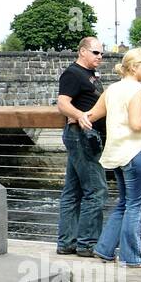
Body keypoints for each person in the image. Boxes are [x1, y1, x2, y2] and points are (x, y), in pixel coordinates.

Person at [83, 48, 141, 268]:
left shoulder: (113, 89)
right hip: (137, 152)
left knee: (124, 203)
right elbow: (136, 125)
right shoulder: (136, 91)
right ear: (134, 67)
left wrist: (80, 118)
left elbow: (91, 115)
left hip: (117, 153)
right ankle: (131, 257)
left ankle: (104, 249)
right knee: (135, 206)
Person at [56, 36, 107, 256]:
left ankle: (67, 242)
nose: (100, 57)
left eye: (102, 53)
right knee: (96, 190)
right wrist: (81, 116)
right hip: (81, 135)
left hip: (85, 135)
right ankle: (87, 243)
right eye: (96, 52)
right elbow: (62, 102)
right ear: (82, 52)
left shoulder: (91, 75)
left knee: (73, 190)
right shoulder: (73, 73)